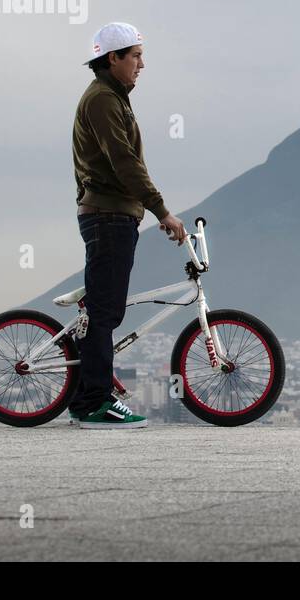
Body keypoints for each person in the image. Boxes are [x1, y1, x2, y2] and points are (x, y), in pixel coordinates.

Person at [68, 22, 187, 428]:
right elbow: (124, 162)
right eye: (135, 55)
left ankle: (86, 397)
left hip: (110, 214)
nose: (142, 64)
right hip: (109, 216)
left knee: (104, 310)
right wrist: (161, 211)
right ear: (112, 58)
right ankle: (94, 404)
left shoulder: (112, 98)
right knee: (105, 313)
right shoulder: (103, 100)